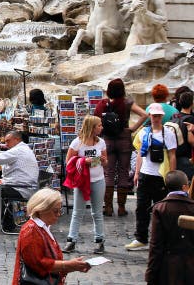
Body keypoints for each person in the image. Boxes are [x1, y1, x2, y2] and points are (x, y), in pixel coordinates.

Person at [125, 103, 178, 250]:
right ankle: (141, 238)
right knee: (141, 208)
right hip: (145, 174)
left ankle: (161, 238)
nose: (155, 118)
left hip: (160, 176)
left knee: (161, 209)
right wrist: (136, 173)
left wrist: (171, 175)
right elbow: (140, 155)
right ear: (150, 116)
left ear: (161, 116)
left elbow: (172, 154)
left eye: (158, 116)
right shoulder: (143, 132)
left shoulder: (168, 133)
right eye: (153, 115)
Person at [93, 77, 148, 216]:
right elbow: (144, 114)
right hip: (124, 139)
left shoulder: (103, 104)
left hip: (108, 141)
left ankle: (108, 207)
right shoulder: (127, 102)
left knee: (109, 172)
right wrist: (132, 128)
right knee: (124, 172)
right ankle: (122, 208)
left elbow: (95, 120)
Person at [12, 188, 91, 285]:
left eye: (59, 210)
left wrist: (73, 266)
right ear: (41, 210)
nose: (58, 214)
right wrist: (68, 265)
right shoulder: (31, 231)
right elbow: (38, 263)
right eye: (55, 211)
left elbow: (49, 262)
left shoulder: (42, 227)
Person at [62, 115, 107, 254]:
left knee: (97, 212)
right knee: (77, 212)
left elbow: (106, 162)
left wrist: (99, 160)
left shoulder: (101, 143)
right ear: (92, 127)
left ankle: (100, 241)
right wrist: (83, 161)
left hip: (98, 180)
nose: (101, 127)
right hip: (81, 182)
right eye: (99, 125)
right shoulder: (77, 143)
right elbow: (68, 162)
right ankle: (71, 240)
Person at [146, 170, 194, 284]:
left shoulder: (160, 208)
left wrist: (151, 273)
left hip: (168, 267)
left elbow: (156, 245)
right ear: (185, 187)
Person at [171, 91, 194, 179]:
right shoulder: (191, 119)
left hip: (173, 155)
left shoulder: (174, 116)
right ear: (192, 104)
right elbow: (191, 141)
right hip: (186, 158)